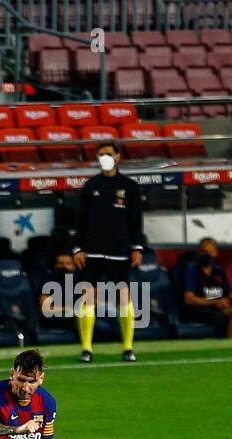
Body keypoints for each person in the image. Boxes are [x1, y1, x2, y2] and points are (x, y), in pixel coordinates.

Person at [72, 140, 145, 363]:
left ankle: (128, 347)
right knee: (88, 296)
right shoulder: (91, 186)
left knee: (123, 297)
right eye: (100, 154)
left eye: (108, 154)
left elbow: (135, 221)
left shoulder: (130, 187)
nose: (104, 157)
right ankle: (86, 349)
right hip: (92, 250)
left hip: (119, 251)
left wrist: (137, 247)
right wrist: (77, 248)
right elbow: (81, 220)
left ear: (118, 156)